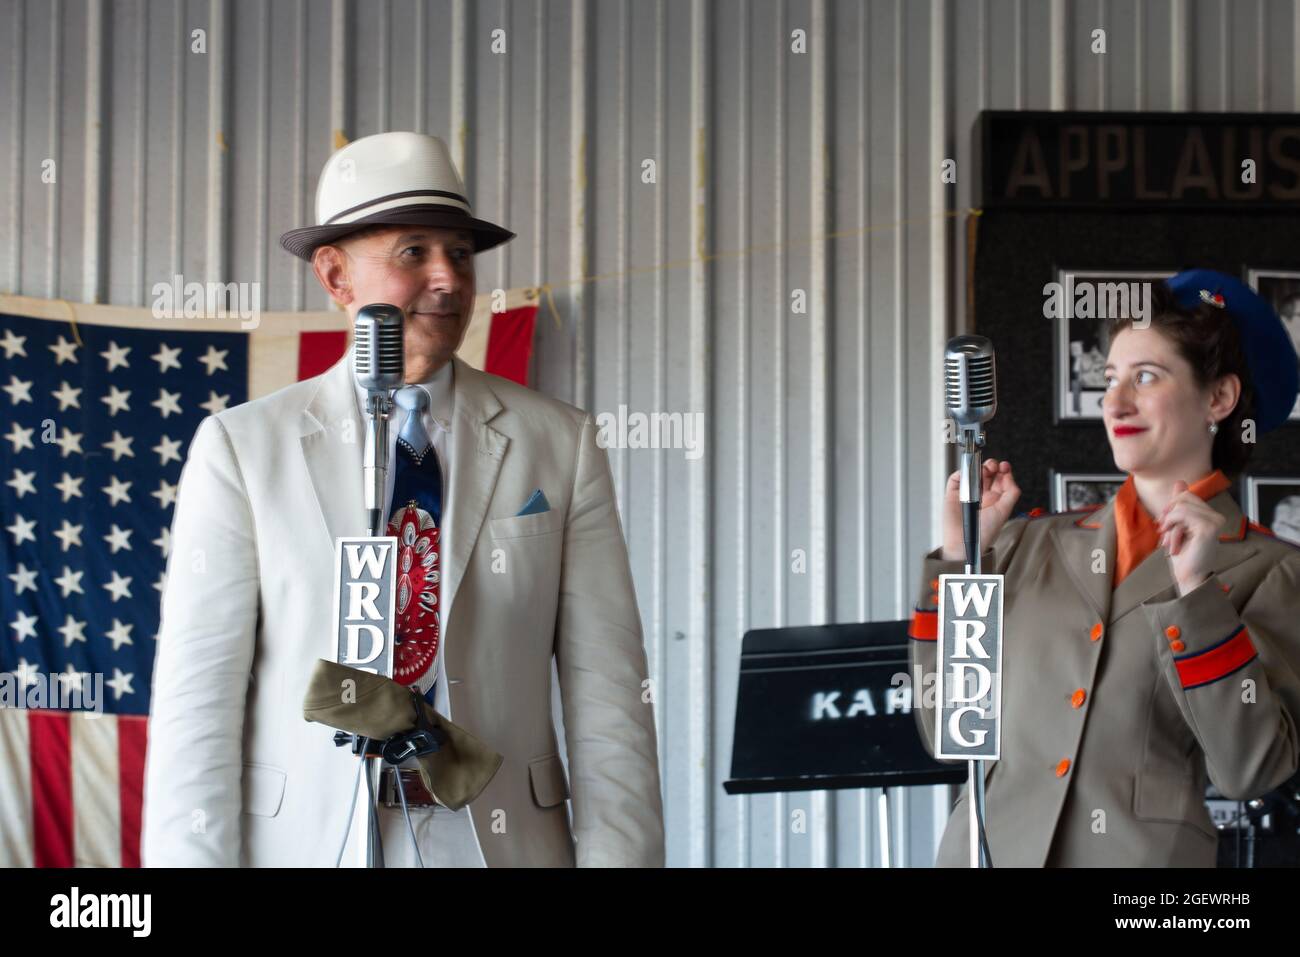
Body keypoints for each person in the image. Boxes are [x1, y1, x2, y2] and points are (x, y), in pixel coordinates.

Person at [142, 131, 665, 867]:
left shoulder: (560, 442)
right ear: (334, 274)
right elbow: (197, 699)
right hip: (306, 844)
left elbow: (610, 692)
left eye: (460, 253)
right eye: (413, 251)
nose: (449, 279)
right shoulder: (242, 449)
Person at [909, 270, 1300, 867]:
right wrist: (963, 562)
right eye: (1111, 377)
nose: (1113, 402)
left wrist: (1198, 593)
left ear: (1218, 399)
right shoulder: (1026, 545)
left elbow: (1251, 768)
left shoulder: (1269, 570)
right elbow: (949, 730)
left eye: (1145, 377)